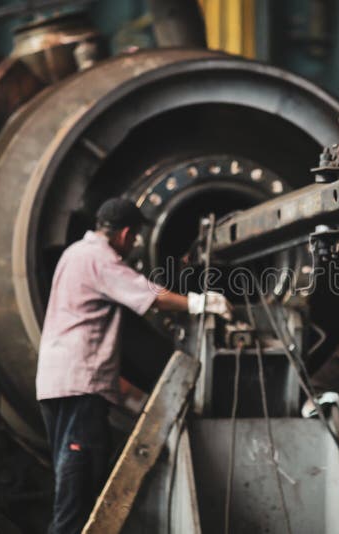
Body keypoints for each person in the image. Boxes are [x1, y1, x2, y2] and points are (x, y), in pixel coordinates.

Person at [35, 197, 231, 534]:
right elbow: (149, 295)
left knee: (72, 480)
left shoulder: (74, 254)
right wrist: (200, 302)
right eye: (135, 237)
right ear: (126, 234)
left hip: (55, 381)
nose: (135, 244)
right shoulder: (99, 258)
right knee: (78, 486)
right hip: (81, 383)